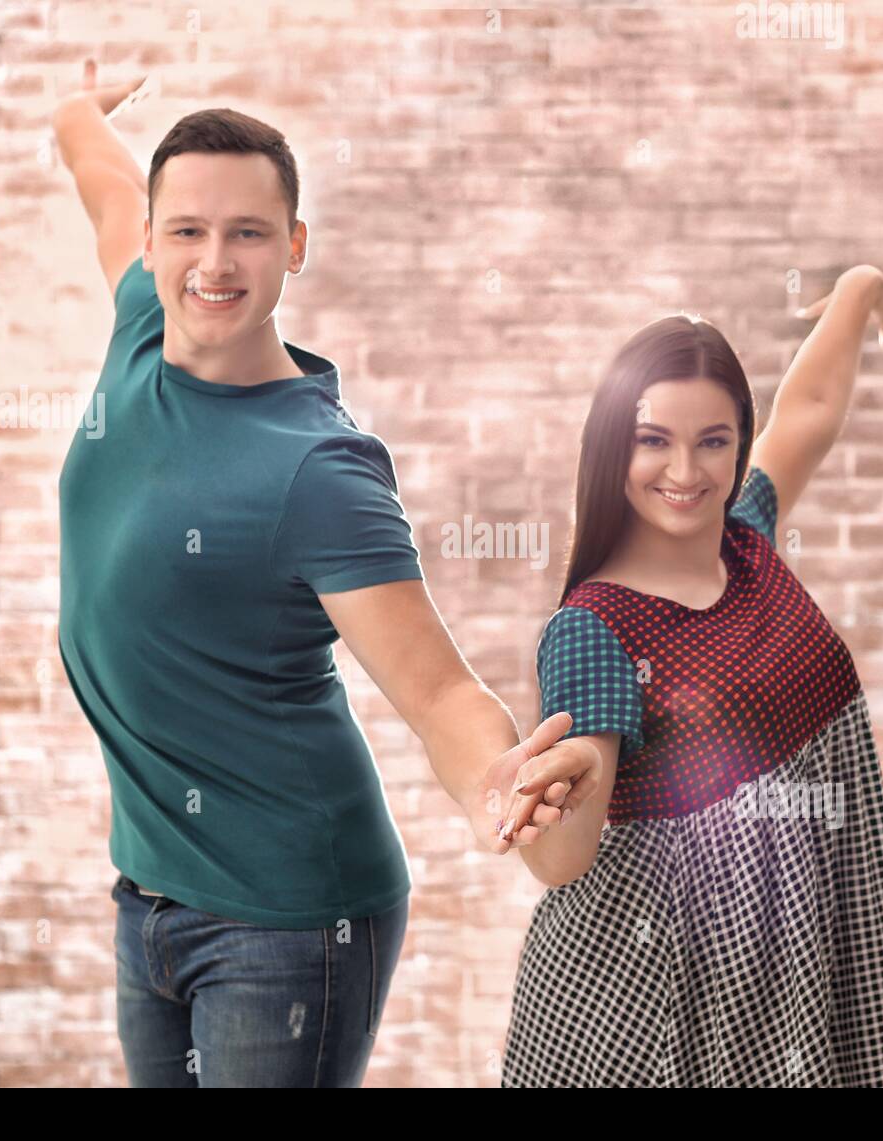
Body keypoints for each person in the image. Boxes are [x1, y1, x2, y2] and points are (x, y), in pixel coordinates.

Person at [51, 62, 597, 1087]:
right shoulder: (137, 318)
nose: (213, 260)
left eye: (249, 233)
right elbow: (100, 175)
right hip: (151, 888)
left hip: (288, 917)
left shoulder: (318, 469)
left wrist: (494, 776)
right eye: (187, 230)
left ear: (293, 246)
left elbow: (435, 690)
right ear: (155, 241)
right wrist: (78, 108)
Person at [500, 267, 883, 1086]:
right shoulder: (592, 631)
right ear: (611, 446)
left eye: (714, 441)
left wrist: (861, 291)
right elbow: (562, 862)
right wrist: (569, 783)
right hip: (655, 1007)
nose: (686, 471)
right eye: (653, 439)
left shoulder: (745, 539)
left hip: (782, 979)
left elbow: (807, 414)